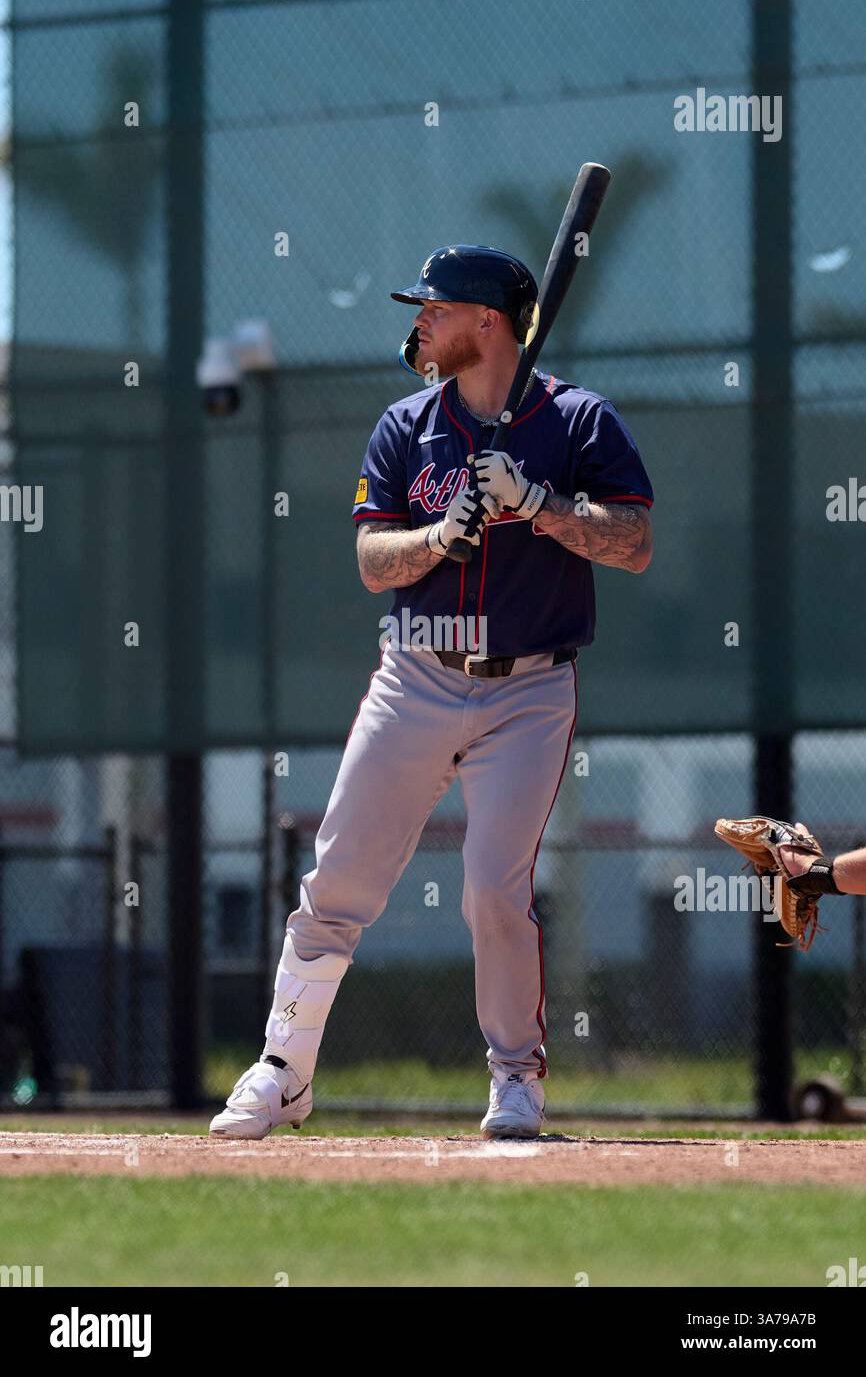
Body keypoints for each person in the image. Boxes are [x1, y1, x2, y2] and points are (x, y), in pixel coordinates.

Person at [210, 244, 654, 1141]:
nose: (419, 320)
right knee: (337, 878)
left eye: (435, 307)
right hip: (415, 671)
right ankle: (282, 1071)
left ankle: (516, 1078)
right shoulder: (407, 424)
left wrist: (538, 504)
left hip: (529, 688)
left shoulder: (576, 421)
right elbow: (374, 562)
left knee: (493, 888)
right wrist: (438, 535)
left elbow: (635, 540)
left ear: (486, 323)